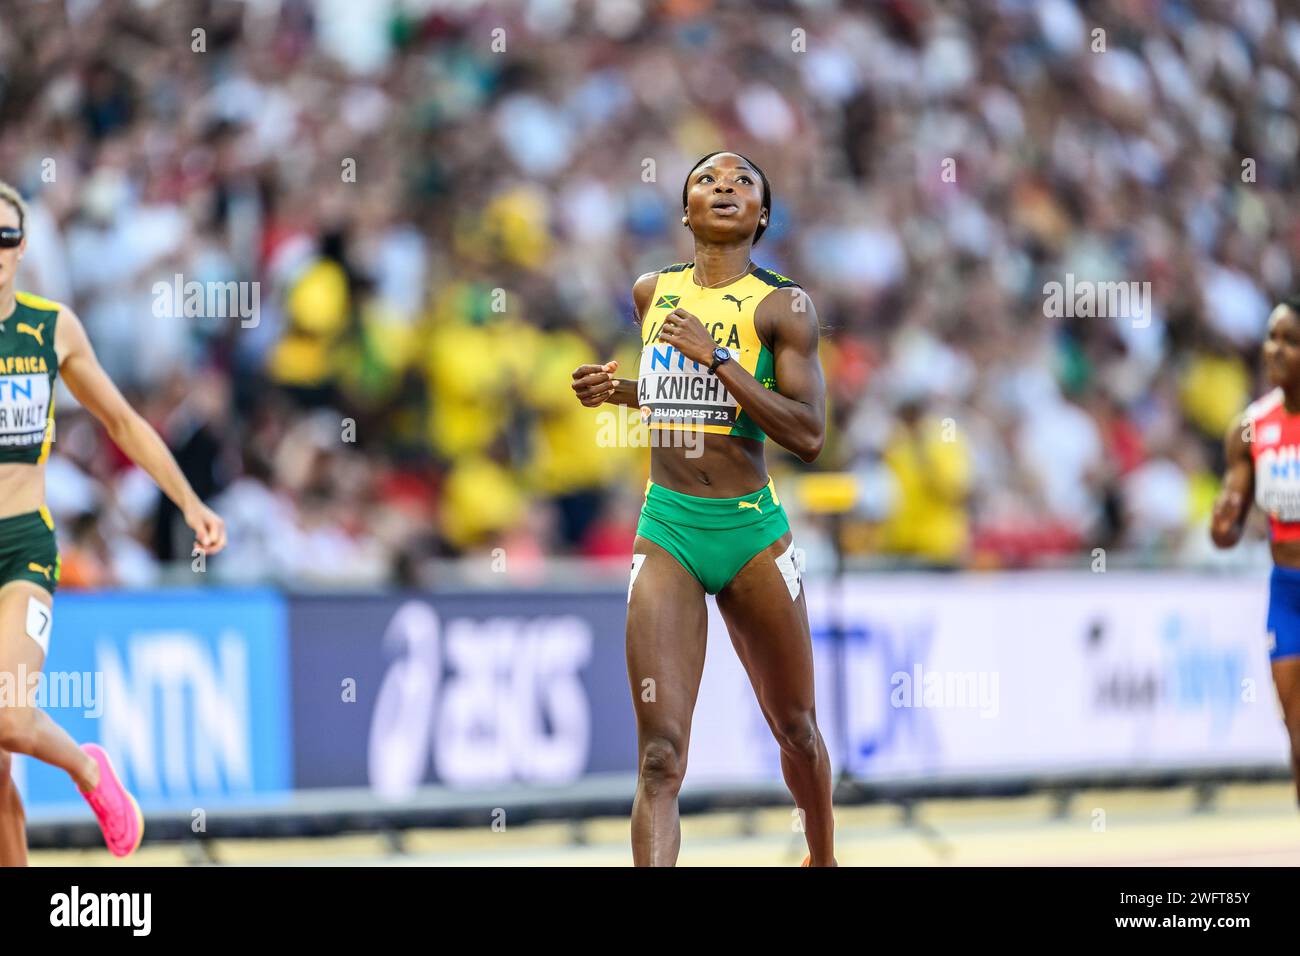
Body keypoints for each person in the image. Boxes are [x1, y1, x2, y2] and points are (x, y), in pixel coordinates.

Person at [571, 151, 835, 865]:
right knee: (659, 755)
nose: (724, 187)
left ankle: (822, 856)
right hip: (670, 527)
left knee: (798, 729)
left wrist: (718, 357)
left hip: (751, 531)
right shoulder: (651, 290)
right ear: (685, 212)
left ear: (763, 216)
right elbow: (678, 401)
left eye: (742, 182)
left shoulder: (785, 305)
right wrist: (619, 392)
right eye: (707, 181)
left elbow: (806, 433)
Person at [0, 181, 227, 865]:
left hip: (21, 548)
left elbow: (123, 422)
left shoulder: (49, 328)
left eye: (6, 237)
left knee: (9, 718)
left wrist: (190, 502)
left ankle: (89, 771)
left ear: (23, 245)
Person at [1211, 296, 1300, 806]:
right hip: (1287, 593)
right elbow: (1227, 527)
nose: (1276, 349)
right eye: (1272, 337)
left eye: (1291, 340)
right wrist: (1222, 521)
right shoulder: (1250, 429)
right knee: (1298, 736)